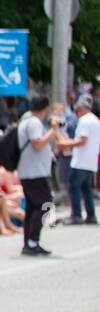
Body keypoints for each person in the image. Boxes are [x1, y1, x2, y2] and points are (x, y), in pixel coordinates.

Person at [16, 95, 60, 256]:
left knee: (33, 207)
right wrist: (53, 131)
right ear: (45, 108)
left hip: (30, 171)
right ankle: (32, 241)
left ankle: (29, 242)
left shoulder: (25, 120)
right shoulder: (34, 122)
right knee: (45, 204)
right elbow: (37, 144)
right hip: (35, 172)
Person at [58, 96, 98, 225]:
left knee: (74, 187)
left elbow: (82, 140)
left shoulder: (84, 121)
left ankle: (76, 215)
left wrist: (67, 144)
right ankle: (91, 215)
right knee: (87, 189)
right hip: (91, 161)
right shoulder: (96, 120)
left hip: (81, 161)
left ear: (80, 109)